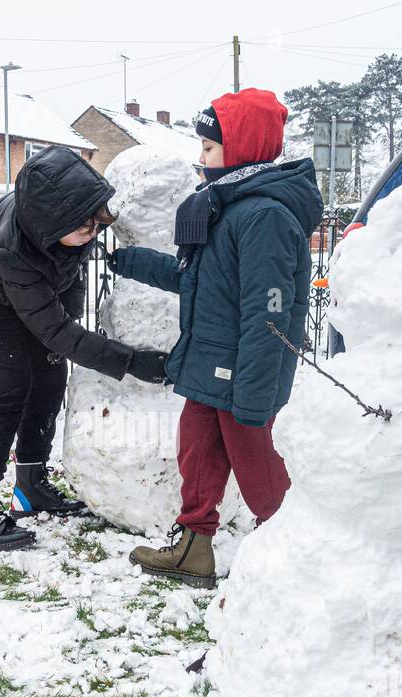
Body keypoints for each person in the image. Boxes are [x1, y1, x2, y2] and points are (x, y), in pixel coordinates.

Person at [109, 88, 323, 586]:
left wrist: (253, 391)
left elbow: (267, 312)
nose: (200, 157)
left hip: (242, 371)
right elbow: (199, 282)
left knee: (260, 472)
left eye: (208, 148)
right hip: (211, 361)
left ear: (242, 147)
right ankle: (193, 548)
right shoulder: (227, 207)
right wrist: (131, 262)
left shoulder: (264, 215)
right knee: (197, 456)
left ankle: (300, 558)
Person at [0, 146, 170, 551]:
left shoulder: (72, 225)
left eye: (95, 226)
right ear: (51, 225)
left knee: (50, 376)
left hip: (31, 284)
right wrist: (131, 362)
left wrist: (66, 324)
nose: (93, 234)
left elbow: (70, 281)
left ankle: (31, 486)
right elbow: (56, 331)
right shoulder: (12, 246)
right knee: (10, 385)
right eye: (85, 228)